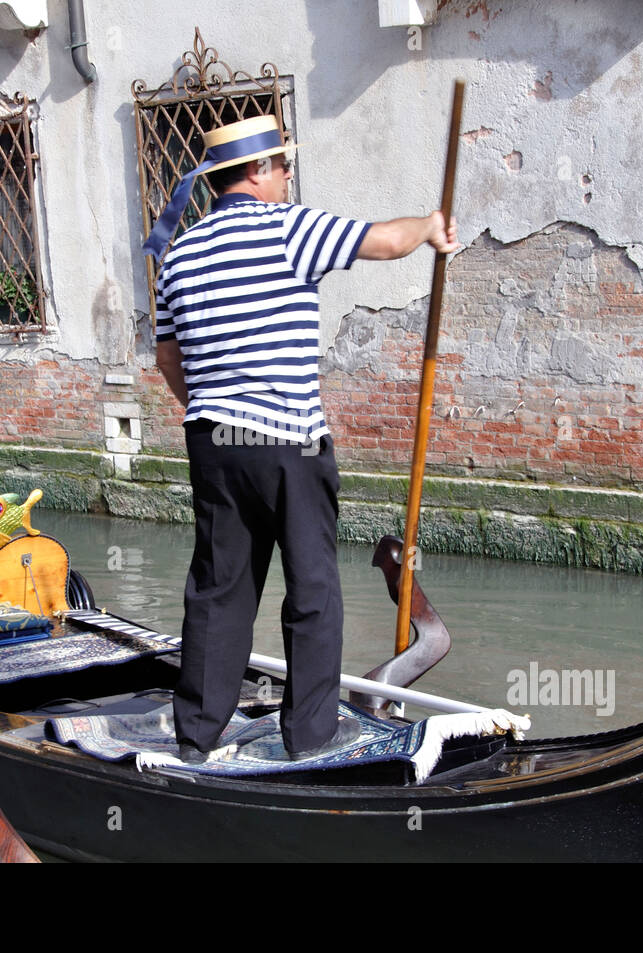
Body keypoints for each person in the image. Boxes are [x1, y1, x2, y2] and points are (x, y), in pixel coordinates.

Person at [145, 115, 458, 763]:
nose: (289, 175)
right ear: (257, 171)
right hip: (288, 439)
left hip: (214, 443)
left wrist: (215, 411)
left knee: (219, 588)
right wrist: (429, 228)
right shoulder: (290, 227)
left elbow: (169, 363)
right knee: (312, 589)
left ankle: (196, 735)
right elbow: (385, 242)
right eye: (282, 164)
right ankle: (310, 737)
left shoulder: (180, 252)